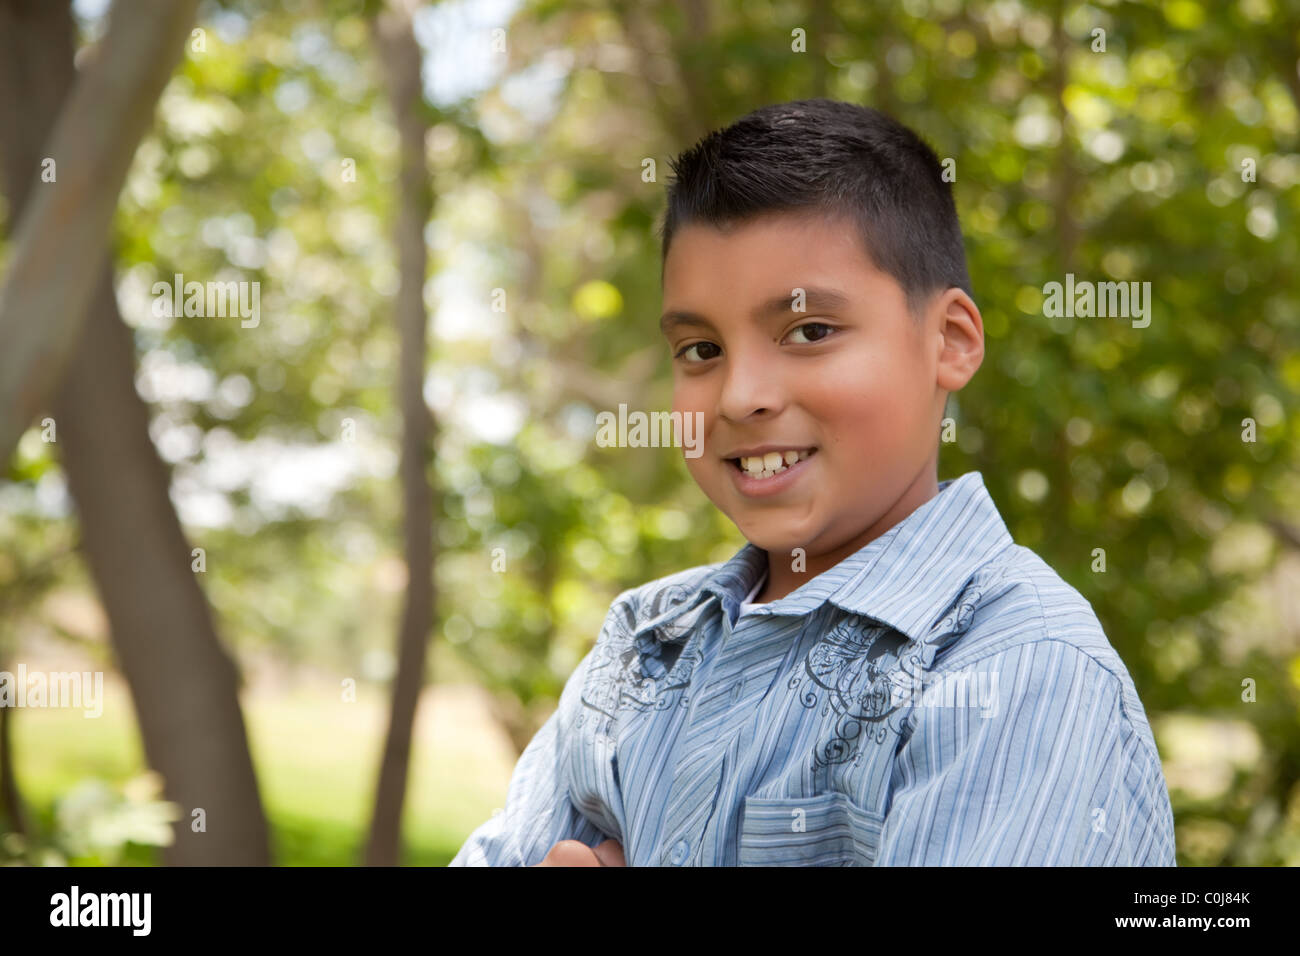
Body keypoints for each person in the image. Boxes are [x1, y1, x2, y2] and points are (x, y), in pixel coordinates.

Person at [450, 98, 1176, 866]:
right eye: (700, 350)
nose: (739, 396)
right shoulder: (644, 643)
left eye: (809, 332)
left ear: (950, 342)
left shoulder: (1017, 671)